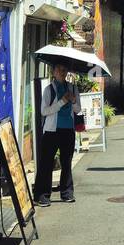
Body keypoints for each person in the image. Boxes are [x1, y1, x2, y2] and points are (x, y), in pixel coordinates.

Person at [35, 63, 83, 206]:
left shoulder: (73, 88)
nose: (62, 72)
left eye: (64, 70)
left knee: (67, 163)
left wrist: (73, 101)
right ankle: (42, 195)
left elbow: (78, 109)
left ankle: (67, 193)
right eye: (59, 70)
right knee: (46, 163)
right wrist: (62, 101)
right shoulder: (49, 90)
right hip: (51, 131)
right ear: (53, 72)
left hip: (68, 130)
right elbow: (44, 111)